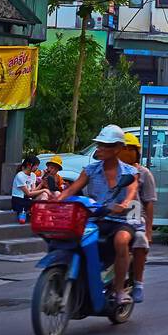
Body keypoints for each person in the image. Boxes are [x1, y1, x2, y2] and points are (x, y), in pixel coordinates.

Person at [58, 125, 139, 304]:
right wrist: (55, 202)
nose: (100, 148)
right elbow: (72, 189)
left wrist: (124, 205)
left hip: (121, 220)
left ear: (118, 148)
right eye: (99, 144)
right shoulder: (91, 170)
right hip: (95, 218)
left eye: (105, 145)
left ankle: (118, 290)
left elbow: (131, 193)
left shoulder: (130, 172)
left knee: (121, 240)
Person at [118, 132, 156, 304]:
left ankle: (138, 283)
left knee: (140, 241)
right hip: (109, 214)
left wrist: (148, 231)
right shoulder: (105, 169)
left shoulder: (143, 173)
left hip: (134, 215)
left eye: (128, 149)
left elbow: (148, 203)